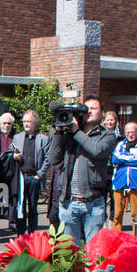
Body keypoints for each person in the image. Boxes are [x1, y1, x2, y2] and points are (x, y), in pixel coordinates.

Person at [47, 94, 114, 245]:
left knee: (94, 252)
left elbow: (97, 150)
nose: (89, 111)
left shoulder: (107, 136)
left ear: (102, 114)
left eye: (93, 108)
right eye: (86, 108)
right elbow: (53, 159)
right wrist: (59, 131)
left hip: (93, 203)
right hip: (69, 202)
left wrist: (76, 131)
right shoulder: (69, 134)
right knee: (70, 251)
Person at [11, 110, 49, 233]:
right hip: (21, 177)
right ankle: (21, 235)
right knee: (20, 208)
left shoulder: (43, 139)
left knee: (33, 207)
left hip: (34, 178)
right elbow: (9, 154)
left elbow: (48, 158)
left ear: (35, 123)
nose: (26, 124)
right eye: (24, 121)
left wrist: (39, 175)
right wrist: (14, 156)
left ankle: (32, 234)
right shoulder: (17, 137)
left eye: (29, 121)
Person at [111, 121, 137, 234]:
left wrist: (124, 159)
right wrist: (132, 158)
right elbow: (115, 159)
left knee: (135, 216)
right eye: (128, 132)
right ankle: (116, 239)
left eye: (133, 132)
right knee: (117, 214)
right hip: (119, 182)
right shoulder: (120, 145)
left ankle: (135, 241)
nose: (130, 134)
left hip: (136, 184)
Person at [0, 112, 20, 234]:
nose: (6, 125)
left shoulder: (17, 135)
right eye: (4, 123)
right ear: (0, 124)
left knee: (13, 197)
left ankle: (12, 223)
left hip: (13, 169)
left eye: (9, 123)